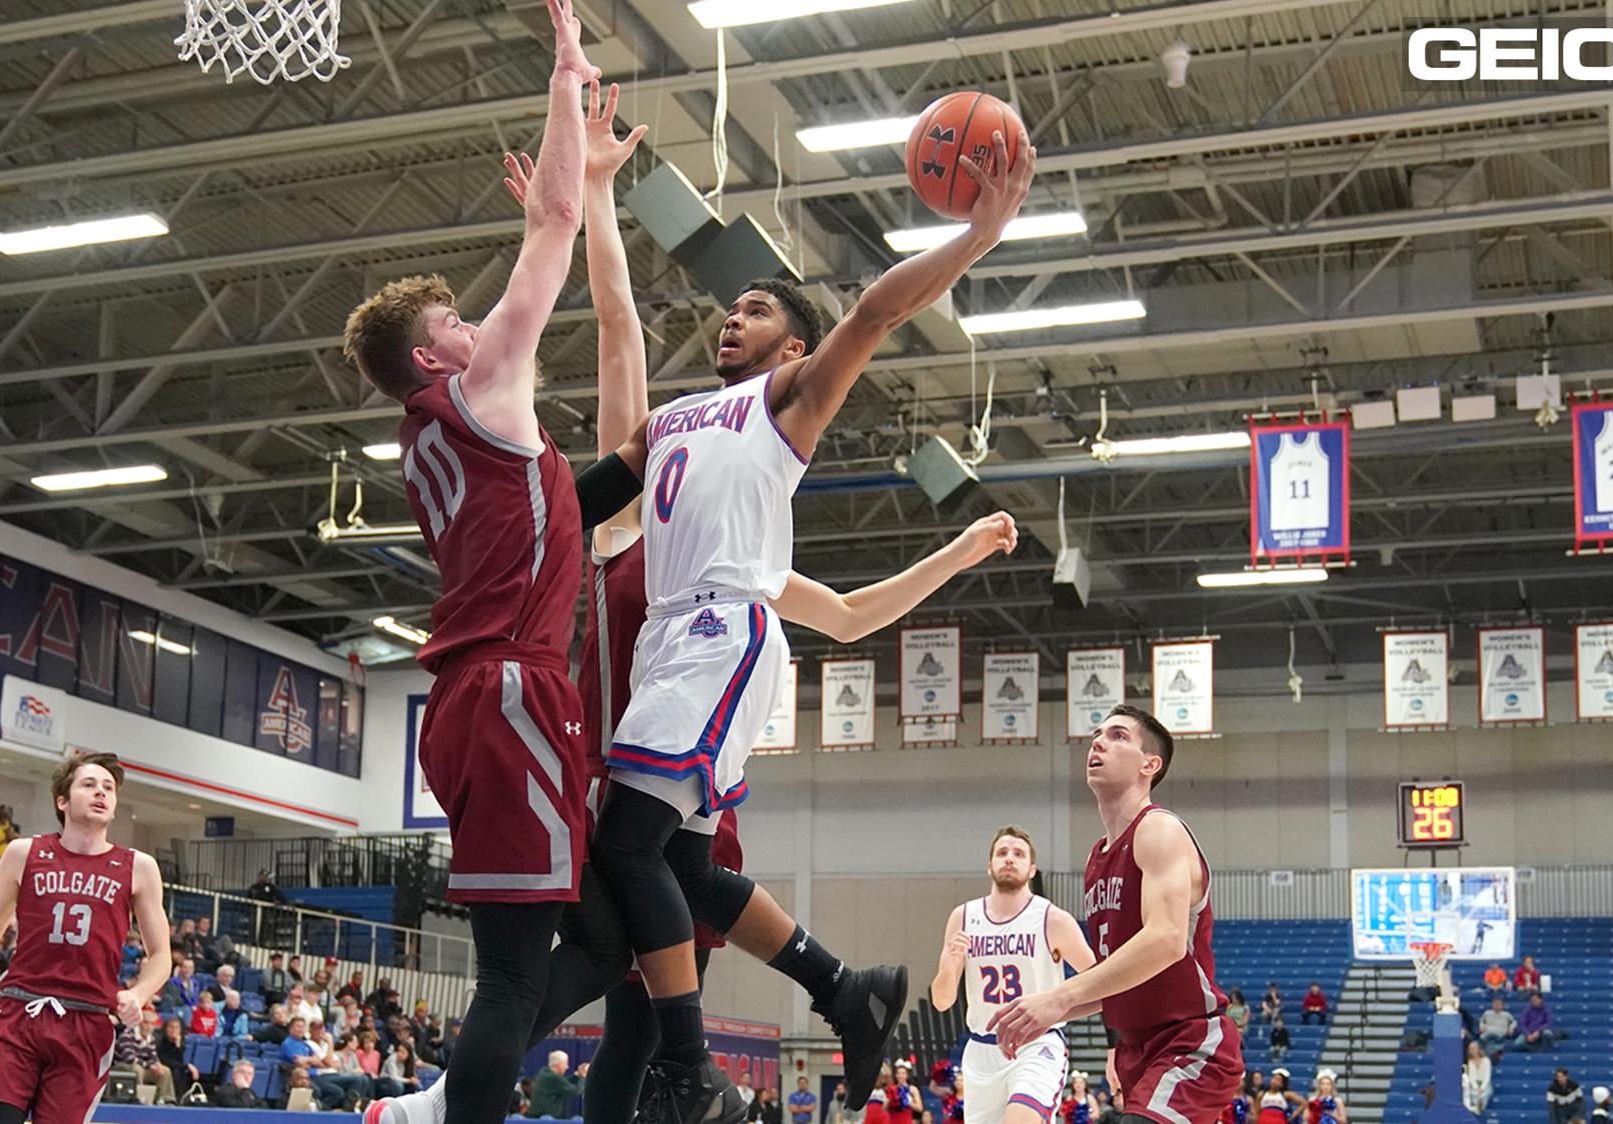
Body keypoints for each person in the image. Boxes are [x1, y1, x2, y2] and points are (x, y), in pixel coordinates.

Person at [580, 91, 1032, 1124]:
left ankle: (690, 1070)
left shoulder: (780, 404)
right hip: (677, 642)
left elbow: (871, 313)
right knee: (682, 864)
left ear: (793, 350)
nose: (731, 318)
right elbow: (581, 498)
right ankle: (847, 989)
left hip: (717, 635)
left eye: (756, 311)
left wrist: (977, 236)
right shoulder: (672, 427)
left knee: (625, 845)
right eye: (731, 309)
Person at [338, 4, 609, 1118]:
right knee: (509, 976)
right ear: (430, 353)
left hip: (473, 696)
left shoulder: (428, 439)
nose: (475, 321)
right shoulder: (481, 390)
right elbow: (555, 224)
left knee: (607, 937)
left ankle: (431, 1103)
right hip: (508, 689)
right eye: (456, 316)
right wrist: (565, 79)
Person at [989, 705, 1245, 1123]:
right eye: (1098, 735)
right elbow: (1116, 975)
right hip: (1135, 1049)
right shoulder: (1097, 857)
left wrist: (1059, 997)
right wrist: (1046, 1012)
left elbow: (1166, 941)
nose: (1099, 742)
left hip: (1189, 1041)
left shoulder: (1158, 828)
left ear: (1150, 765)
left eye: (1118, 736)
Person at [0, 751, 173, 1124]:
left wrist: (138, 995)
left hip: (87, 1021)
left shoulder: (139, 866)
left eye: (109, 788)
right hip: (19, 1011)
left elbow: (161, 955)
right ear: (62, 800)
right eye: (89, 784)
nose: (101, 792)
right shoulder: (24, 853)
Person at [928, 826, 1094, 1124]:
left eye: (1018, 854)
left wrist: (1114, 1046)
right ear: (989, 865)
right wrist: (951, 964)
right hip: (981, 1051)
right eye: (1002, 853)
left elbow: (1099, 982)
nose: (1009, 858)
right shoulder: (963, 917)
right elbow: (941, 1001)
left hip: (1036, 1043)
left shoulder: (1052, 919)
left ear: (1031, 869)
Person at [111, 1013, 174, 1104]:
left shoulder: (151, 1038)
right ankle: (139, 1099)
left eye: (152, 1024)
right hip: (121, 1067)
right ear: (139, 1023)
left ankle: (165, 1100)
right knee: (137, 1069)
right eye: (146, 1023)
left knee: (165, 1070)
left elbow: (153, 1057)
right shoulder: (127, 1035)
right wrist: (150, 1066)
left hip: (141, 1067)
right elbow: (130, 1058)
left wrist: (157, 1065)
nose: (149, 1027)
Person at [529, 1050, 588, 1117]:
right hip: (545, 1119)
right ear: (558, 1064)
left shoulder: (545, 1073)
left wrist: (576, 1075)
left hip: (538, 1117)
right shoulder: (553, 1077)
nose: (567, 1067)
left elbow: (563, 1083)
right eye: (565, 1064)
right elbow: (574, 1091)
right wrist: (583, 1077)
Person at [1461, 1040, 1491, 1114]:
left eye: (1474, 1048)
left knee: (1484, 1094)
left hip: (1485, 1084)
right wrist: (1476, 1087)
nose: (1472, 1050)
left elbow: (1487, 1076)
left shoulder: (1486, 1060)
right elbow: (1471, 1077)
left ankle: (1480, 1107)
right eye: (1470, 1048)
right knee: (1473, 1093)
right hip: (1473, 1084)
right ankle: (1476, 1108)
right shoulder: (1469, 1062)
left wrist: (1482, 1087)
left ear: (1478, 1049)